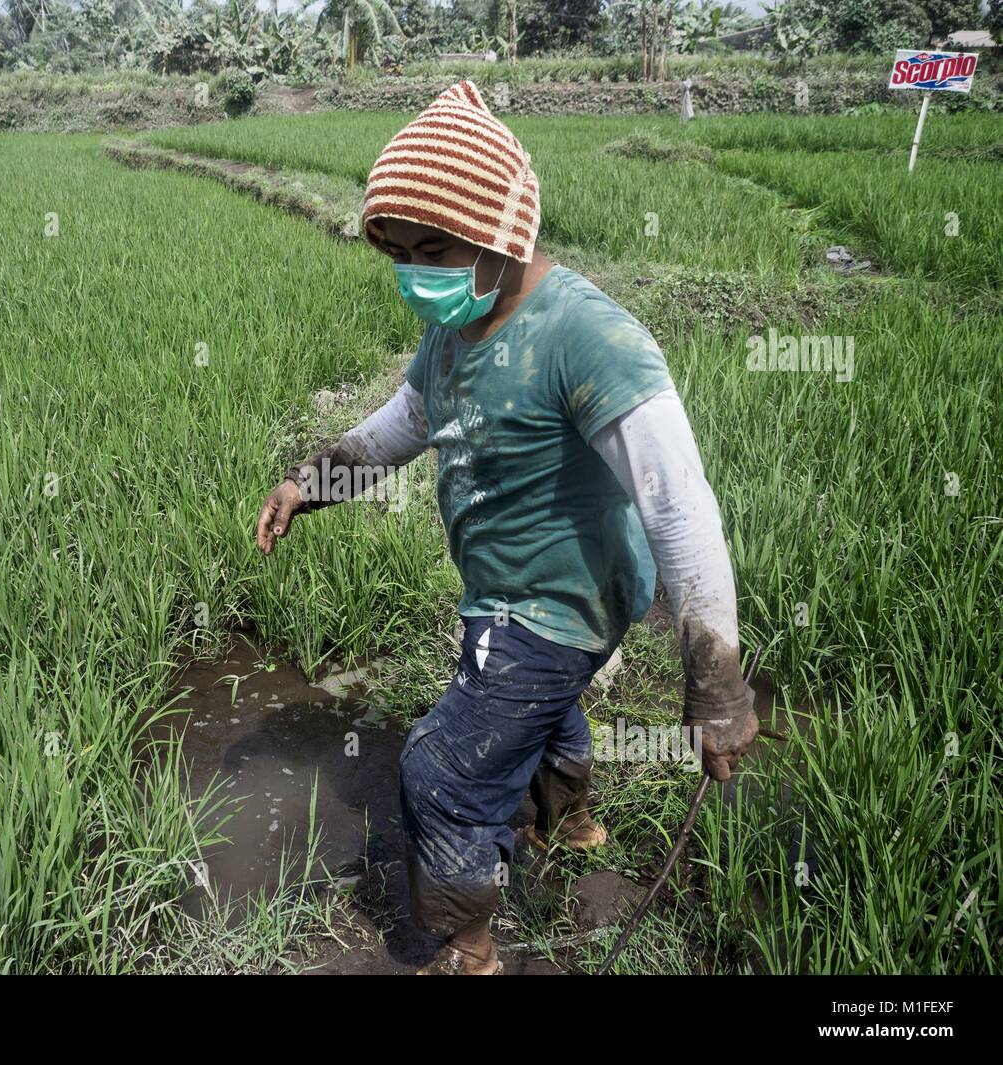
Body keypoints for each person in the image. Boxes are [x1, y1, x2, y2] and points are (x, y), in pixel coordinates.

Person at [254, 81, 758, 975]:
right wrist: (311, 482)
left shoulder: (591, 338)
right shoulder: (458, 326)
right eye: (399, 252)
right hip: (525, 594)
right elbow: (412, 416)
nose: (416, 271)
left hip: (550, 606)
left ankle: (469, 948)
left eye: (434, 246)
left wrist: (716, 686)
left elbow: (678, 503)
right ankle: (573, 822)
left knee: (440, 774)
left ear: (504, 230)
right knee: (547, 713)